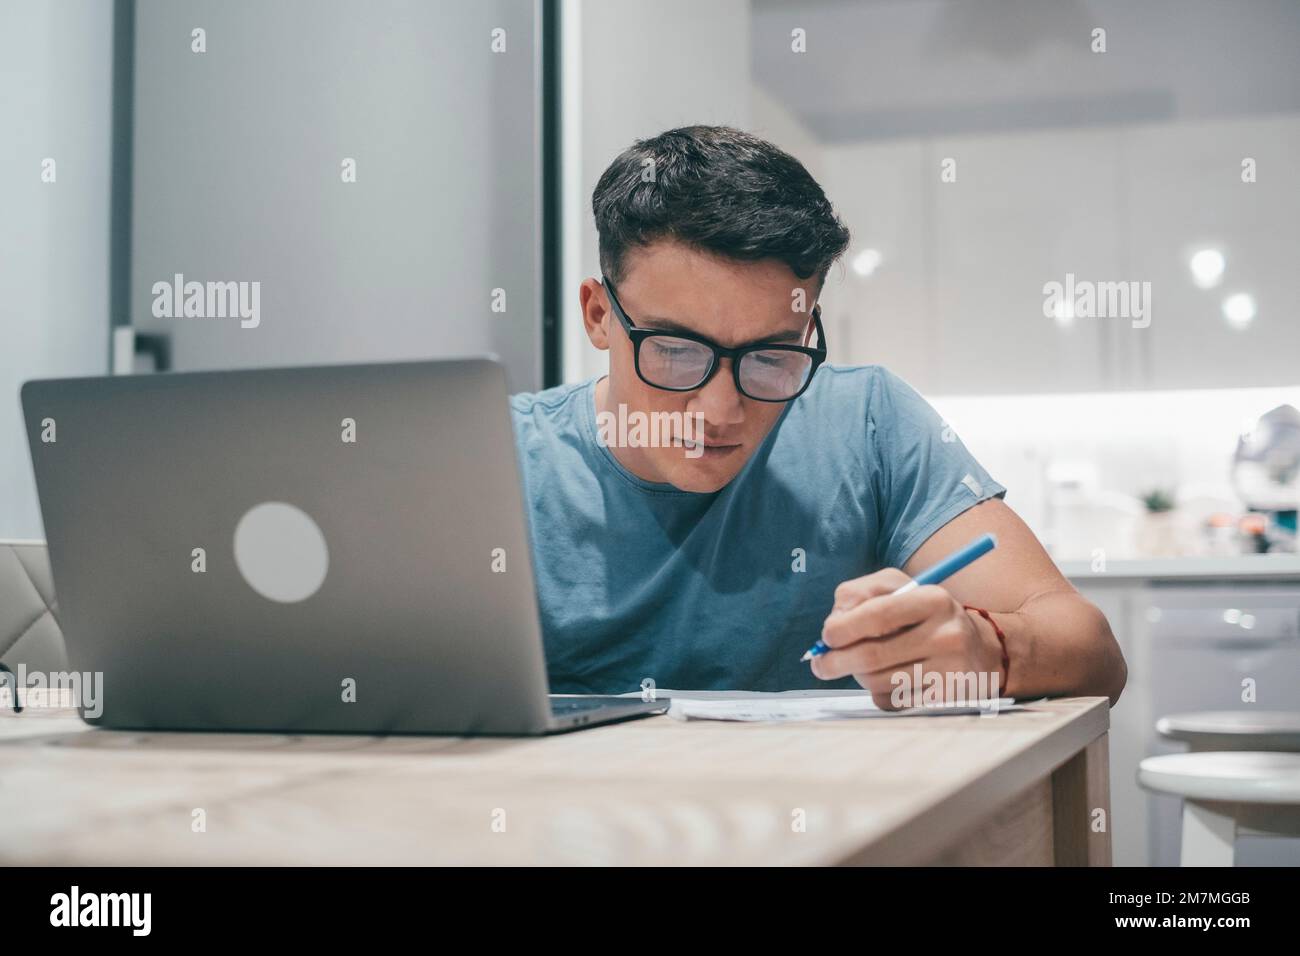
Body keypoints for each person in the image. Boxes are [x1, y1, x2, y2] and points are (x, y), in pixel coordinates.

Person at [511, 125, 1126, 707]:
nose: (721, 410)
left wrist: (986, 649)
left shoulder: (867, 422)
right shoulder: (499, 459)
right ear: (598, 315)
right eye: (675, 351)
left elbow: (1094, 651)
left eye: (772, 356)